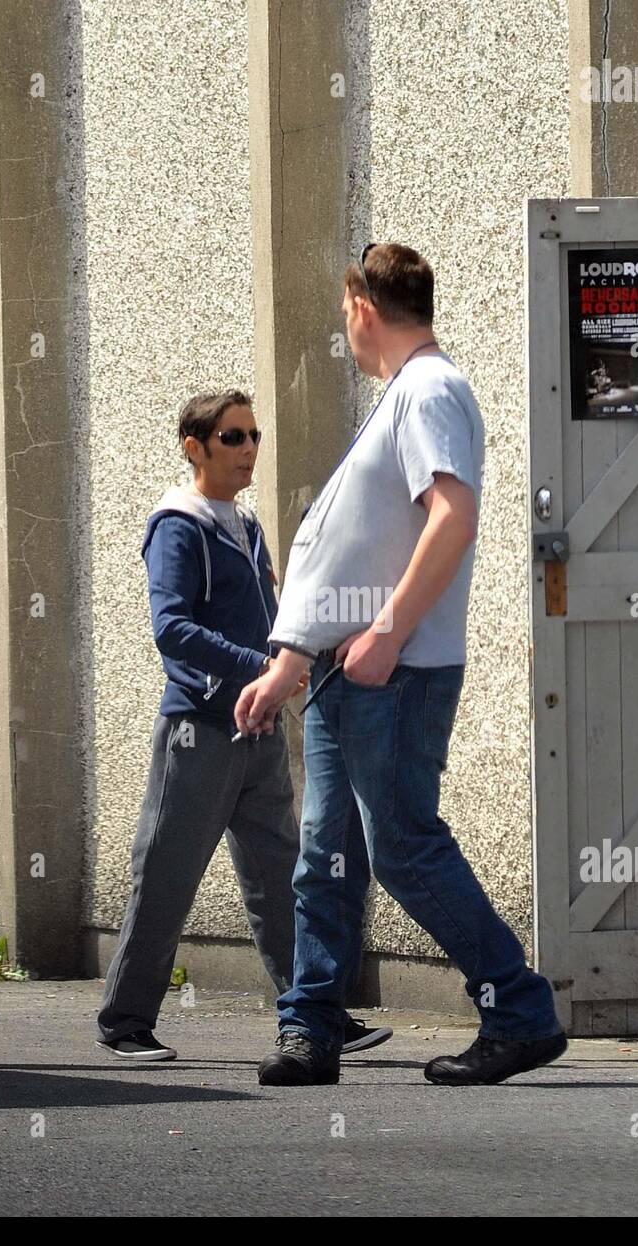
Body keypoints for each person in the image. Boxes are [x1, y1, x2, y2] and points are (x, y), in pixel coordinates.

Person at [235, 243, 567, 1086]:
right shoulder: (405, 394)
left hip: (395, 670)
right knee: (327, 857)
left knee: (405, 849)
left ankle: (518, 1008)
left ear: (361, 307)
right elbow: (352, 549)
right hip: (353, 673)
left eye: (346, 311)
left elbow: (452, 517)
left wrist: (384, 632)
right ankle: (311, 1026)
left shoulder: (428, 389)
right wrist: (296, 659)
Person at [95, 390, 391, 1061]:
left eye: (254, 435)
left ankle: (314, 1012)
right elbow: (171, 629)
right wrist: (259, 665)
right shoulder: (179, 525)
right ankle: (124, 1022)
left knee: (281, 876)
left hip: (255, 732)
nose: (249, 448)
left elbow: (271, 619)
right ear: (193, 446)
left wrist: (311, 647)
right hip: (199, 730)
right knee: (166, 874)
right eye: (233, 437)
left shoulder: (244, 525)